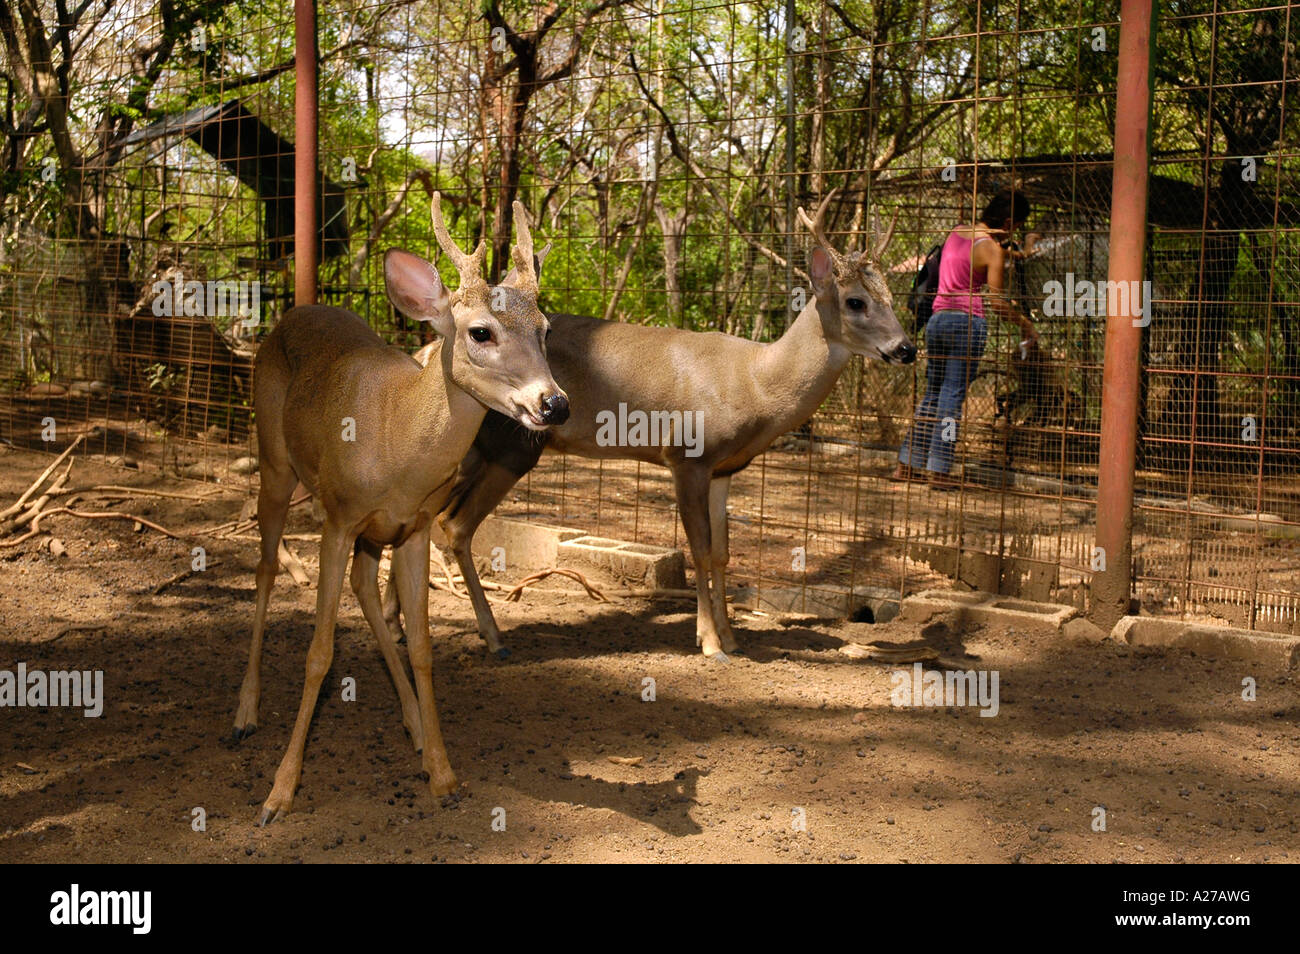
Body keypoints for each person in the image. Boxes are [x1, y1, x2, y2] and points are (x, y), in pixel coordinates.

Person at [894, 189, 1038, 490]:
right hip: (967, 324)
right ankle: (941, 471)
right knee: (952, 398)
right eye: (1018, 227)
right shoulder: (993, 250)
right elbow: (997, 303)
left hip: (937, 320)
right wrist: (1026, 325)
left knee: (933, 394)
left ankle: (908, 464)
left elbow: (978, 253)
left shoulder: (958, 232)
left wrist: (1022, 252)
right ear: (1009, 222)